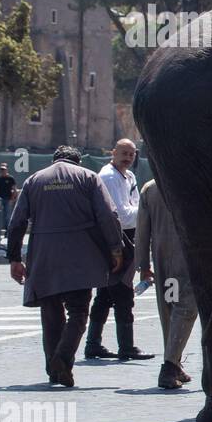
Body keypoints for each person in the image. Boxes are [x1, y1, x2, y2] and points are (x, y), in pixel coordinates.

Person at [5, 146, 125, 387]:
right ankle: (63, 359)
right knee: (79, 312)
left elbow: (17, 222)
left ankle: (54, 368)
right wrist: (116, 248)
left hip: (44, 255)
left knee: (50, 313)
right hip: (81, 255)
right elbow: (108, 215)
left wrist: (14, 258)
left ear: (54, 159)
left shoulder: (34, 180)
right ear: (77, 161)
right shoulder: (88, 178)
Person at [85, 139, 155, 361]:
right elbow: (122, 215)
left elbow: (131, 208)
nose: (128, 157)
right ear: (113, 153)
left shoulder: (129, 176)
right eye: (124, 153)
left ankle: (93, 344)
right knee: (123, 294)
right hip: (115, 240)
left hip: (127, 237)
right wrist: (144, 211)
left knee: (105, 294)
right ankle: (126, 346)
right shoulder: (109, 176)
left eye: (132, 154)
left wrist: (138, 211)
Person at [135, 179, 197, 390]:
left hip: (163, 260)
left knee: (170, 308)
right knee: (186, 308)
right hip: (188, 256)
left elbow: (142, 231)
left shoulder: (150, 188)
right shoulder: (192, 182)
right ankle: (170, 366)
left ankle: (174, 362)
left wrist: (143, 264)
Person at [0, 162, 17, 236]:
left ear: (7, 170)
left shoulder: (11, 179)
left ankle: (8, 232)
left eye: (4, 169)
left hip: (8, 199)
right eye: (1, 169)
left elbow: (14, 189)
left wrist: (12, 199)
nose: (3, 171)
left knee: (7, 216)